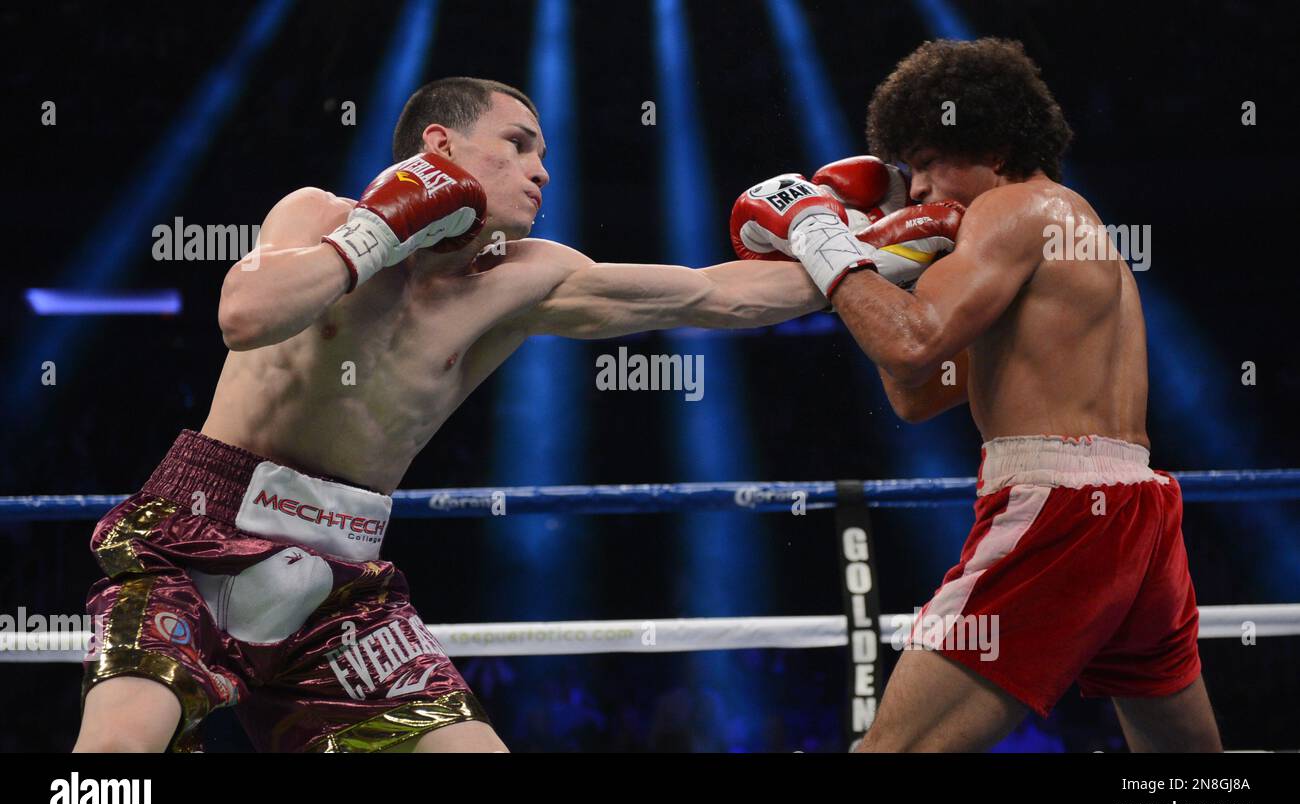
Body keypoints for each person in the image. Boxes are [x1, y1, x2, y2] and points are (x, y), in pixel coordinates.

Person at [74, 77, 826, 753]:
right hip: (196, 536)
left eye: (544, 155)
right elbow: (243, 315)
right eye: (519, 144)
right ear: (441, 145)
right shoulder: (317, 215)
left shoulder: (527, 280)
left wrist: (855, 255)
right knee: (117, 756)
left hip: (340, 589)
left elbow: (715, 295)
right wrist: (378, 232)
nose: (543, 171)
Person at [729, 39, 1221, 752]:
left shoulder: (1014, 209)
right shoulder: (1067, 226)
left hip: (1058, 508)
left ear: (992, 147)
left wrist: (821, 236)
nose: (919, 190)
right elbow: (917, 391)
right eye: (910, 170)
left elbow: (908, 341)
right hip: (1136, 510)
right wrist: (878, 268)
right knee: (1190, 780)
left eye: (929, 163)